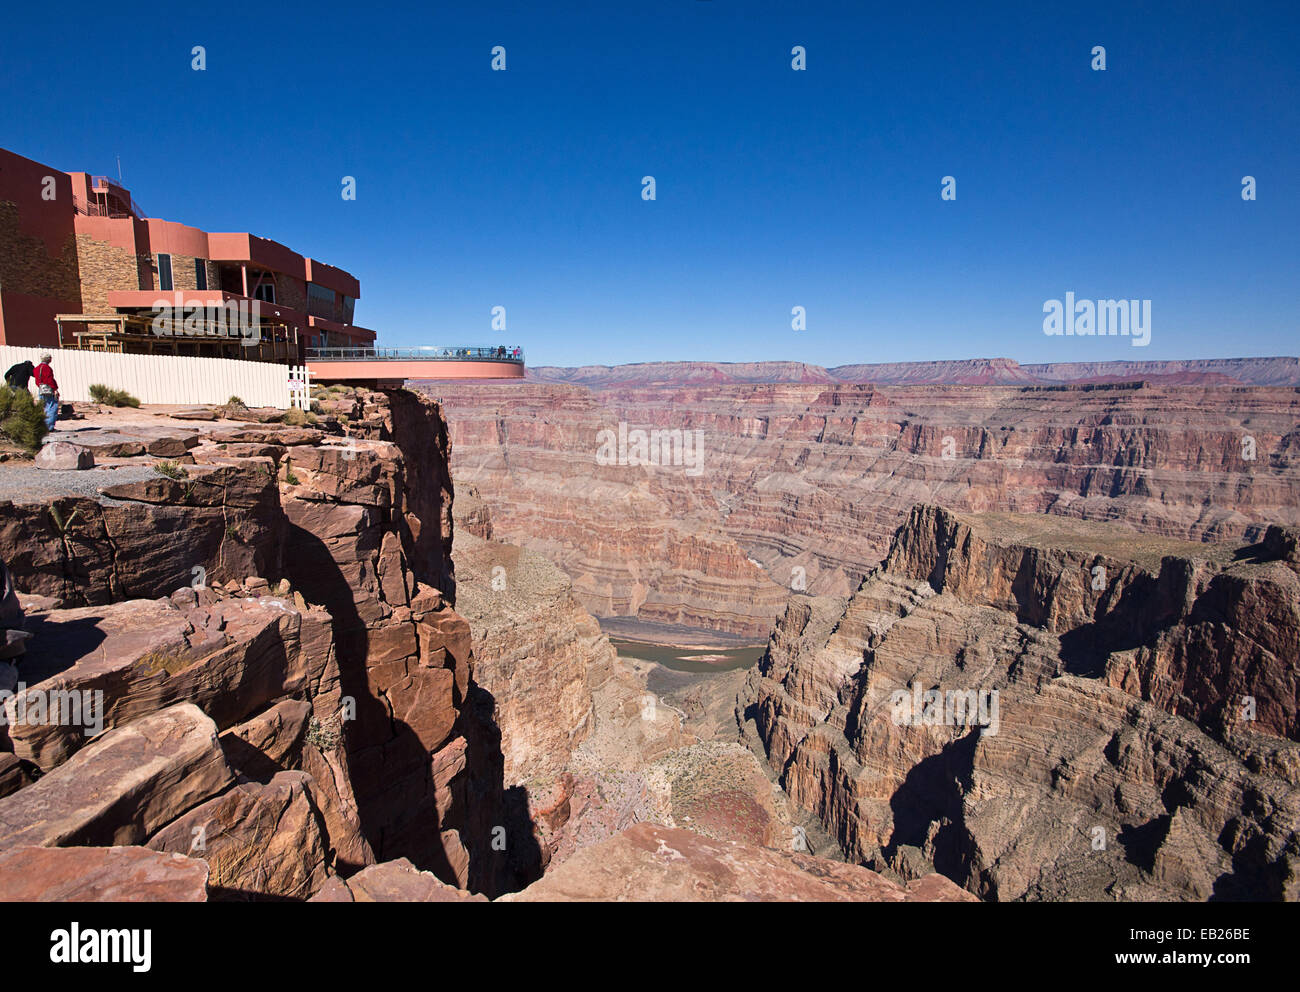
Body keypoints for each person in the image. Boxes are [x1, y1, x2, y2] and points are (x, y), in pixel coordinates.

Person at [33, 353, 59, 430]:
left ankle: (43, 426)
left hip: (41, 389)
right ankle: (49, 427)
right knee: (52, 407)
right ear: (48, 359)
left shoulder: (37, 368)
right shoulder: (47, 368)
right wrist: (55, 389)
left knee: (44, 408)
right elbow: (49, 380)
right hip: (49, 389)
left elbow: (37, 380)